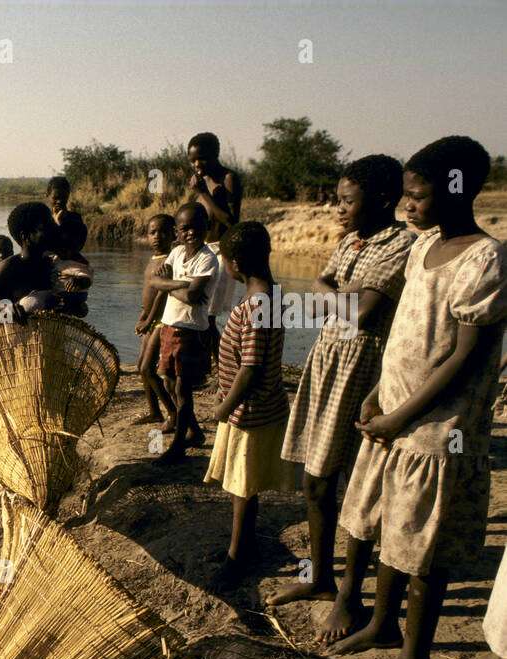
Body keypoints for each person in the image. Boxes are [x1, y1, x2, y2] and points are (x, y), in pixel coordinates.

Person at [329, 136, 507, 659]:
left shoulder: (486, 259)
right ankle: (382, 624)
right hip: (396, 418)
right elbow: (407, 330)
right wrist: (380, 393)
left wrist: (402, 413)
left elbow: (463, 356)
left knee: (423, 547)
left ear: (457, 189)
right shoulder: (421, 245)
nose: (407, 206)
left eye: (417, 195)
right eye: (405, 195)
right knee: (390, 529)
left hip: (439, 431)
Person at [271, 155, 416, 612]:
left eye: (347, 201)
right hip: (329, 357)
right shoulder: (353, 241)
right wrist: (334, 293)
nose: (339, 210)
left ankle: (351, 590)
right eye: (338, 200)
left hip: (364, 368)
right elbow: (321, 302)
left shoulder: (401, 243)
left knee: (357, 485)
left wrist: (331, 293)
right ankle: (321, 578)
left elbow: (362, 312)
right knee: (315, 479)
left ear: (383, 201)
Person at [204, 222, 293, 591]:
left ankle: (237, 557)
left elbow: (250, 367)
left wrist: (224, 407)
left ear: (234, 263)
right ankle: (248, 545)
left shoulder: (255, 305)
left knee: (240, 487)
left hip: (249, 412)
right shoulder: (271, 295)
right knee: (247, 485)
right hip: (263, 406)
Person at [149, 203, 217, 462]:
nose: (190, 233)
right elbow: (156, 282)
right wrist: (180, 284)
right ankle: (196, 432)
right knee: (167, 379)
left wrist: (173, 287)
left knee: (183, 388)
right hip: (169, 325)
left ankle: (179, 445)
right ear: (177, 232)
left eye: (196, 227)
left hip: (190, 331)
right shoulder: (176, 253)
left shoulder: (207, 258)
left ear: (207, 227)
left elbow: (193, 296)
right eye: (184, 229)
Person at [187, 133, 243, 366]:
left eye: (201, 159)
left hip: (221, 252)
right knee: (198, 312)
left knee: (207, 315)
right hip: (203, 251)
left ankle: (225, 369)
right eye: (192, 160)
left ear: (215, 155)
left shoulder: (227, 178)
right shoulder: (203, 180)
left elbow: (231, 220)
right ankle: (208, 363)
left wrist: (202, 193)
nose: (197, 164)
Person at [0, 203, 61, 326]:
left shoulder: (53, 263)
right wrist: (6, 310)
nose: (54, 229)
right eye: (45, 227)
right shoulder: (8, 267)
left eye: (52, 223)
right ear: (25, 236)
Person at [133, 214, 177, 427]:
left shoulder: (169, 261)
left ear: (173, 235)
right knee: (140, 366)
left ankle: (172, 412)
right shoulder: (152, 260)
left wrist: (149, 320)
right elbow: (148, 294)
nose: (157, 237)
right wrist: (142, 318)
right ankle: (154, 412)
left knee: (147, 369)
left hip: (161, 320)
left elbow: (161, 294)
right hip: (150, 319)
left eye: (162, 232)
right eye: (152, 233)